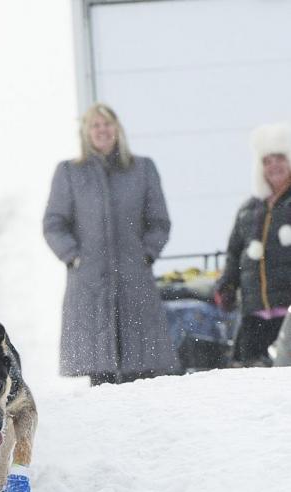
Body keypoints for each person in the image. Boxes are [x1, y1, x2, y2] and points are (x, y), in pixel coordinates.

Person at [43, 103, 179, 385]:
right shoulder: (69, 172)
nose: (102, 130)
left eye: (107, 124)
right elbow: (54, 223)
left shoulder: (142, 169)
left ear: (117, 129)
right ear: (86, 133)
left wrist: (147, 254)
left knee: (143, 371)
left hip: (134, 279)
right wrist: (73, 257)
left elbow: (159, 221)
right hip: (90, 282)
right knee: (101, 375)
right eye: (95, 125)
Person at [214, 122, 291, 366]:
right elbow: (234, 254)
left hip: (288, 316)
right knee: (248, 381)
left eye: (280, 158)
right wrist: (226, 284)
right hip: (254, 314)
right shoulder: (248, 210)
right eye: (267, 161)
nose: (274, 166)